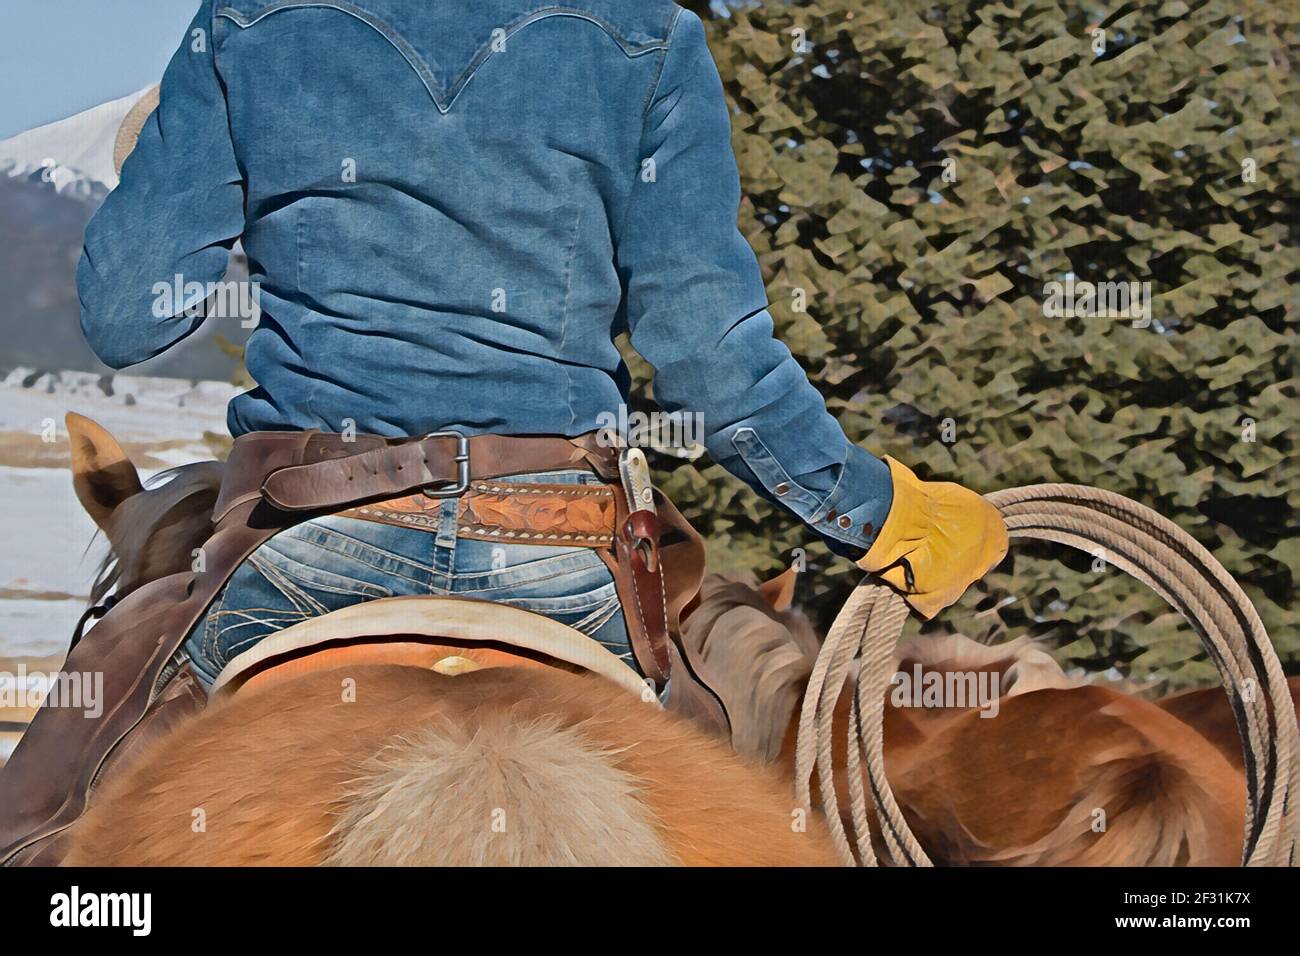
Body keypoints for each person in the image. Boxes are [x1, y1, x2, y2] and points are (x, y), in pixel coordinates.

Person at [76, 0, 1008, 690]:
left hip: (306, 536)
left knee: (69, 796)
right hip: (555, 553)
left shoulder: (247, 25)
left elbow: (127, 319)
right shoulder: (648, 40)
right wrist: (881, 514)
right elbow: (709, 360)